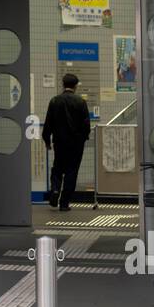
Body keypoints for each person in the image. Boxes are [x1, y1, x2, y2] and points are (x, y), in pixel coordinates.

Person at [42, 73, 91, 212]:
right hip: (76, 144)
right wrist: (82, 138)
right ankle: (64, 203)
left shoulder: (54, 101)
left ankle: (55, 189)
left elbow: (48, 123)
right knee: (72, 171)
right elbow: (86, 125)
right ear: (75, 86)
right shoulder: (81, 102)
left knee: (57, 168)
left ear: (63, 84)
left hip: (59, 142)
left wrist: (47, 140)